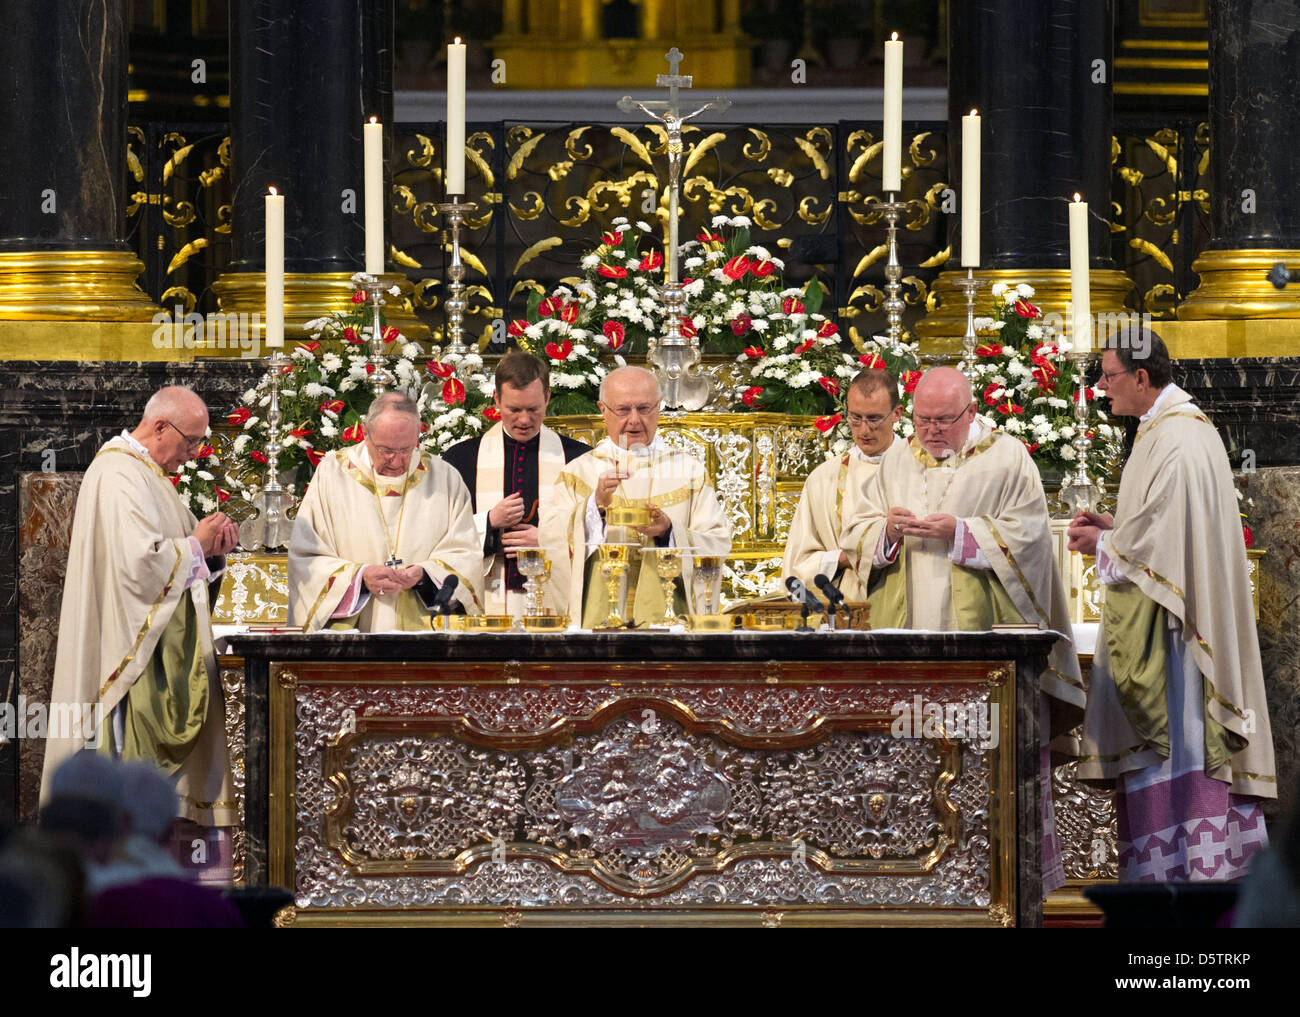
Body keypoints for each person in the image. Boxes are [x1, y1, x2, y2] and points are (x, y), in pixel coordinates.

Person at [841, 366, 1085, 896]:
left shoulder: (1008, 458)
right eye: (922, 419)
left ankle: (1000, 887)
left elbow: (1034, 541)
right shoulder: (896, 459)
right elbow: (855, 528)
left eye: (944, 421)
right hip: (909, 654)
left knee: (988, 777)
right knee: (915, 773)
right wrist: (884, 532)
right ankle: (918, 884)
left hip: (987, 661)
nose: (930, 431)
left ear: (971, 413)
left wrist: (965, 533)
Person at [1068, 328, 1275, 882]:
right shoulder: (1165, 429)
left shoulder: (1178, 437)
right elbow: (1167, 527)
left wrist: (1107, 545)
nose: (1102, 388)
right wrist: (1119, 528)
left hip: (1182, 635)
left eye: (1109, 377)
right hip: (1172, 613)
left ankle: (1188, 877)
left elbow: (1167, 542)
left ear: (1141, 376)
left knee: (1182, 738)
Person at [40, 386, 238, 833]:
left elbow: (172, 555)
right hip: (127, 650)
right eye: (190, 442)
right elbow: (138, 565)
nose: (191, 455)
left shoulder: (145, 475)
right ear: (161, 427)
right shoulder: (117, 474)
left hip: (153, 641)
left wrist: (211, 550)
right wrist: (197, 544)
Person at [541, 366, 731, 627]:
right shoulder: (578, 472)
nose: (634, 420)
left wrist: (668, 532)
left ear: (659, 407)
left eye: (644, 409)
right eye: (623, 410)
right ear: (603, 410)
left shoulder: (689, 471)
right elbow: (550, 539)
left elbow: (717, 542)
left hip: (669, 619)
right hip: (598, 619)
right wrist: (593, 507)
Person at [288, 391, 483, 630]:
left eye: (406, 450)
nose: (397, 461)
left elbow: (466, 555)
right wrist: (359, 578)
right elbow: (306, 558)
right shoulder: (332, 476)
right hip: (353, 637)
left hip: (423, 631)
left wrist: (425, 575)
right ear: (366, 435)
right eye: (386, 450)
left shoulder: (445, 479)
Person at [442, 351, 590, 614]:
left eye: (533, 409)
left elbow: (597, 534)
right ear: (497, 399)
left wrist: (547, 540)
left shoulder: (578, 459)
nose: (524, 420)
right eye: (514, 409)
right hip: (486, 600)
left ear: (547, 397)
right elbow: (440, 536)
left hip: (556, 601)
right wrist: (488, 522)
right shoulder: (461, 459)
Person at [782, 368, 902, 601]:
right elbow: (796, 567)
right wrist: (845, 558)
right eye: (856, 418)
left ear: (896, 413)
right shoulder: (823, 479)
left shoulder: (920, 469)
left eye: (874, 419)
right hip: (845, 608)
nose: (864, 430)